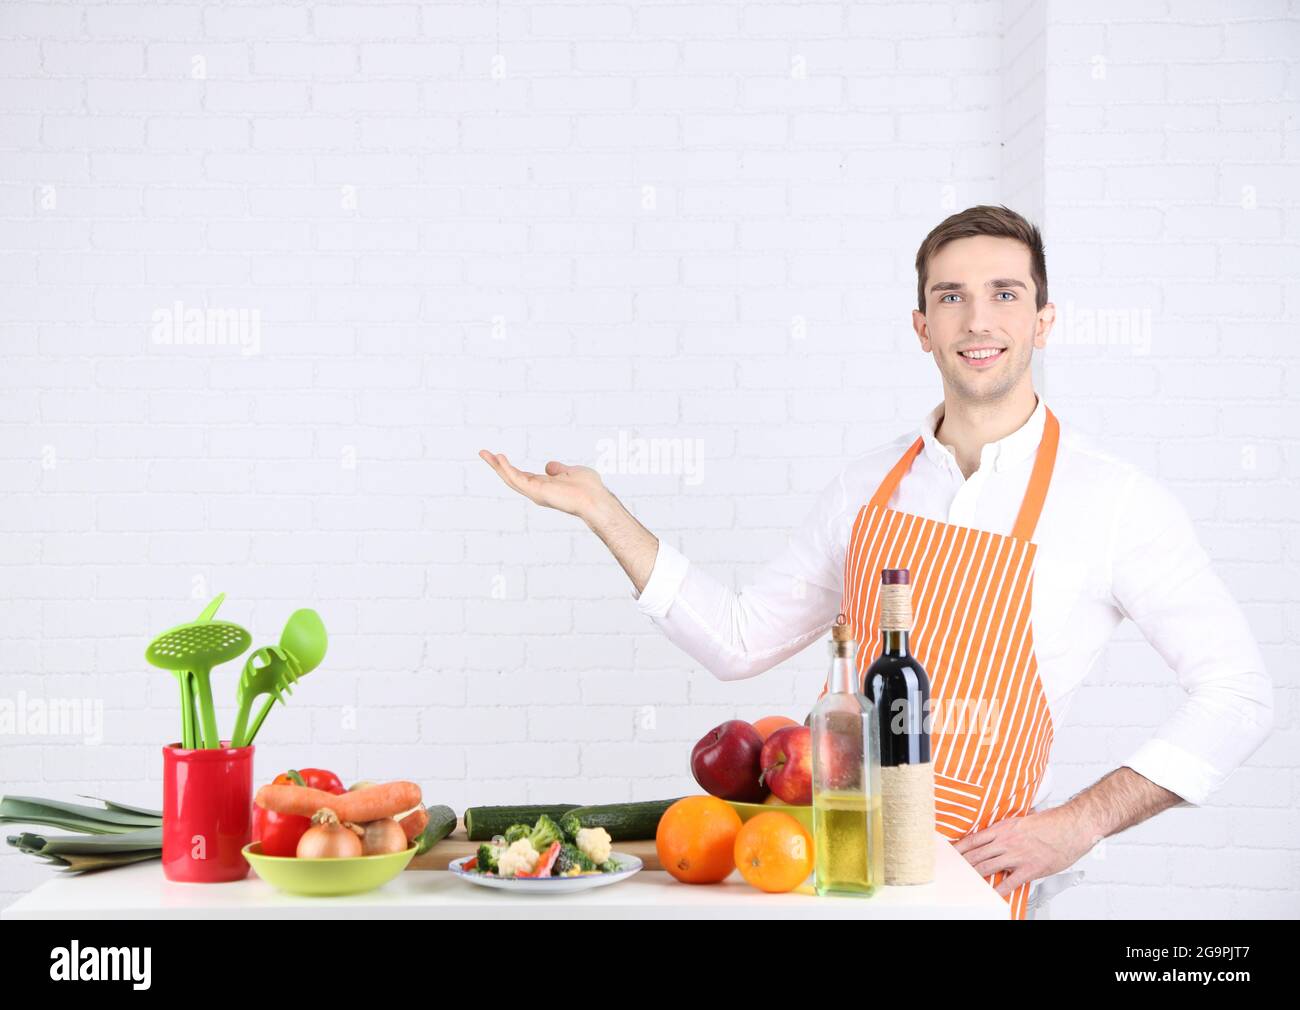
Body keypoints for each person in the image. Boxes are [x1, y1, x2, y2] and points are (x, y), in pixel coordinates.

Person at [480, 205, 1273, 919]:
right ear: (922, 325)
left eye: (1004, 293)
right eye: (950, 296)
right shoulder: (868, 486)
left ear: (1044, 318)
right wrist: (602, 512)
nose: (977, 320)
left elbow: (1238, 695)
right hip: (835, 870)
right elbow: (740, 641)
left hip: (977, 882)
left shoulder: (1113, 501)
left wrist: (1078, 824)